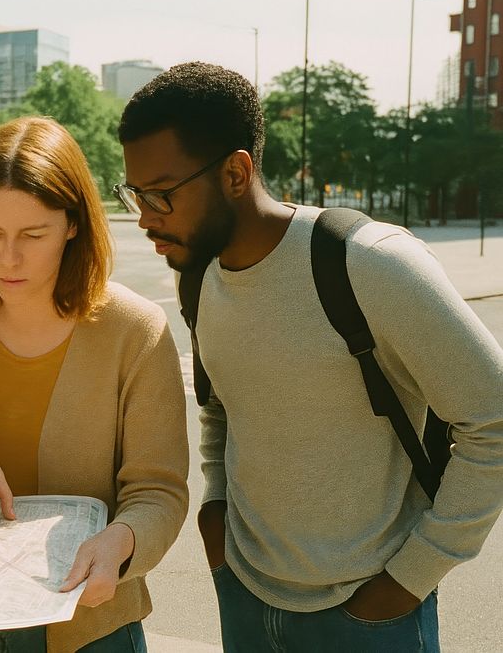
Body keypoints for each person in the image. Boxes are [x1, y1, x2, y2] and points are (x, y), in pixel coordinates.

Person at [116, 61, 503, 652]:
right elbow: (221, 406)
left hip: (372, 614)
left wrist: (409, 581)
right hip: (245, 595)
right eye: (135, 194)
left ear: (236, 172)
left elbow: (493, 420)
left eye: (163, 194)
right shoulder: (199, 277)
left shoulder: (371, 263)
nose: (145, 217)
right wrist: (215, 516)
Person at [0, 116, 190, 653]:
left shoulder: (134, 329)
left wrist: (122, 542)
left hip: (87, 626)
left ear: (73, 225)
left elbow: (157, 491)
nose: (8, 258)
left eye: (33, 234)